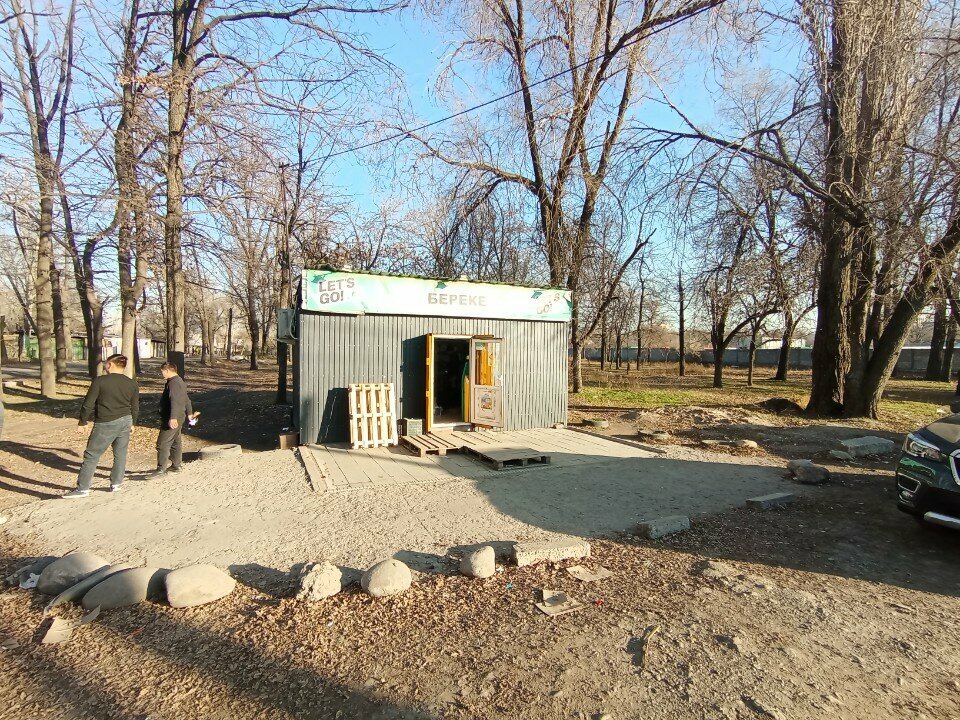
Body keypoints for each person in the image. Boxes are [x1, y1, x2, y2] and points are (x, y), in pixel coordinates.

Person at [63, 354, 139, 498]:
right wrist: (133, 422)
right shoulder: (132, 383)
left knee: (92, 455)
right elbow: (135, 406)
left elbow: (88, 403)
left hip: (106, 422)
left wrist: (83, 421)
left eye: (106, 364)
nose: (105, 366)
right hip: (126, 420)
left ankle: (83, 488)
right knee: (120, 453)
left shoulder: (100, 381)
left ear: (110, 365)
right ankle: (116, 483)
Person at [149, 362, 196, 477]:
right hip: (178, 416)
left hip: (173, 417)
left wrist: (173, 418)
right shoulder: (178, 381)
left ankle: (161, 470)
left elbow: (174, 401)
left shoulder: (174, 383)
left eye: (162, 372)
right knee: (175, 441)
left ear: (168, 371)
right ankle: (176, 465)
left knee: (162, 443)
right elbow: (186, 399)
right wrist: (189, 413)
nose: (162, 374)